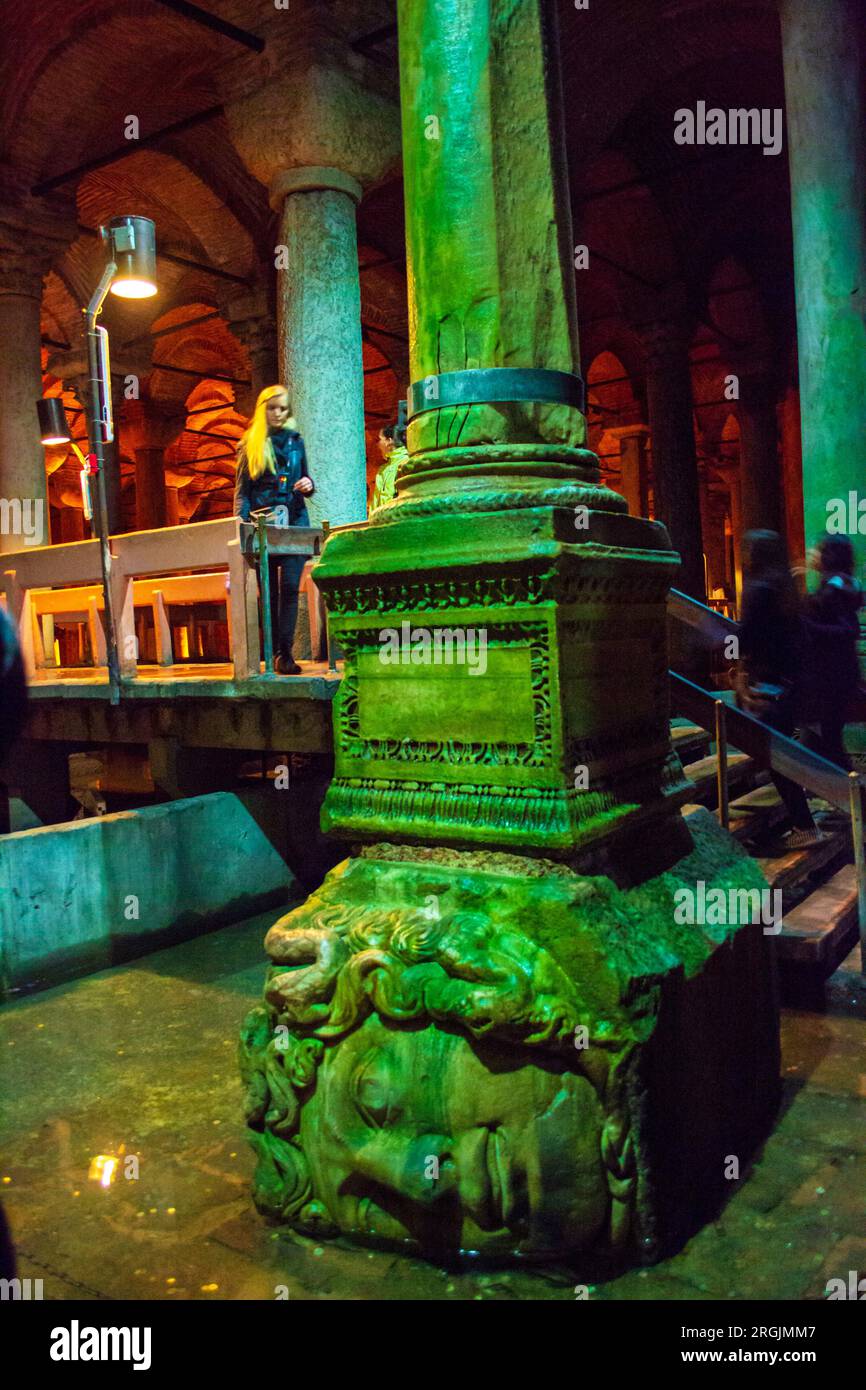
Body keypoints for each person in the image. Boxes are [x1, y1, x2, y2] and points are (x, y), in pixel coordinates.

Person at [735, 529, 819, 847]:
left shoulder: (757, 588)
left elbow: (747, 634)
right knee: (780, 755)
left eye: (747, 549)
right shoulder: (785, 588)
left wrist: (738, 664)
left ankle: (805, 825)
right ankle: (802, 820)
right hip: (789, 685)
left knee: (777, 758)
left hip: (767, 686)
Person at [234, 385, 314, 676]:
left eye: (283, 408)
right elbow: (243, 492)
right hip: (263, 524)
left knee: (291, 588)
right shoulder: (250, 445)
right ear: (262, 409)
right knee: (267, 592)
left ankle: (285, 654)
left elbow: (308, 478)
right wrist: (240, 528)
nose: (278, 413)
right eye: (272, 408)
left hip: (294, 522)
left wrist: (308, 485)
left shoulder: (296, 442)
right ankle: (270, 653)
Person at [801, 533, 864, 769]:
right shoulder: (844, 585)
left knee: (829, 737)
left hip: (831, 676)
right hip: (840, 673)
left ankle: (850, 793)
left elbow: (848, 629)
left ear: (829, 556)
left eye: (818, 549)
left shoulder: (833, 588)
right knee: (827, 735)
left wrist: (806, 624)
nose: (812, 553)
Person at [370, 422, 407, 513]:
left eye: (380, 439)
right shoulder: (382, 469)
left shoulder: (405, 463)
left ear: (389, 441)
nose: (378, 444)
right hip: (378, 521)